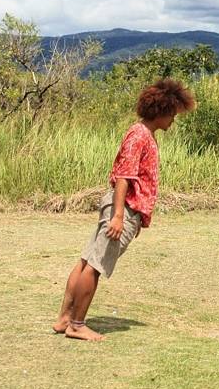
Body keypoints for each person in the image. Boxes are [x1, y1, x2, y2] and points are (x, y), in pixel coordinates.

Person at [53, 77, 197, 341]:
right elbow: (124, 176)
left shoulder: (144, 135)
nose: (173, 121)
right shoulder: (139, 135)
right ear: (161, 111)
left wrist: (140, 217)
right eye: (172, 115)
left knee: (87, 260)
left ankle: (64, 318)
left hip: (128, 209)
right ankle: (76, 324)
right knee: (94, 266)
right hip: (122, 208)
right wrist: (119, 216)